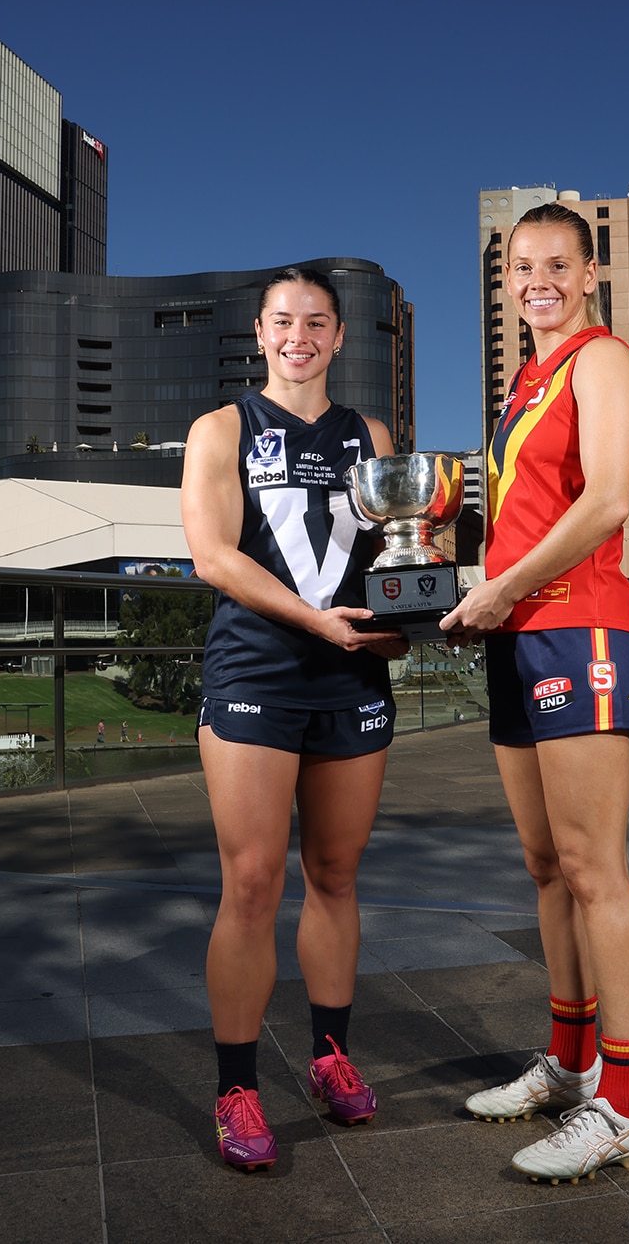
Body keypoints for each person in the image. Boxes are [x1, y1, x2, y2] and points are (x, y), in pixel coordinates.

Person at [441, 203, 629, 1184]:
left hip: (581, 624)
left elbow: (605, 500)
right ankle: (569, 1064)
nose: (537, 278)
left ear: (588, 272)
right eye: (521, 264)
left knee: (592, 865)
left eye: (555, 263)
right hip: (515, 630)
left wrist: (501, 584)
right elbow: (521, 515)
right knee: (542, 864)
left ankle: (623, 1100)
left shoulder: (599, 361)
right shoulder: (522, 378)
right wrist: (474, 581)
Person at [184, 267, 408, 1172]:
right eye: (285, 321)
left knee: (335, 875)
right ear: (261, 332)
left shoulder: (372, 436)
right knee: (249, 885)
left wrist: (406, 621)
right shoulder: (223, 428)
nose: (300, 336)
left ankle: (328, 1058)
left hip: (351, 680)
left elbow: (396, 556)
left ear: (341, 337)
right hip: (255, 674)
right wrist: (315, 620)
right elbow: (211, 557)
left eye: (318, 322)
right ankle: (236, 1090)